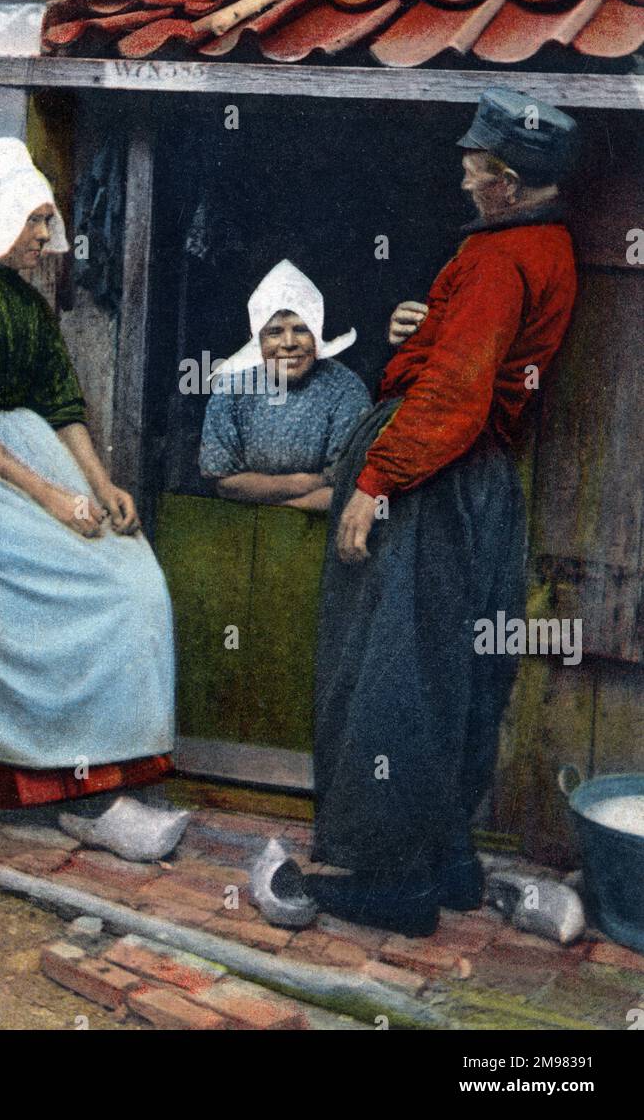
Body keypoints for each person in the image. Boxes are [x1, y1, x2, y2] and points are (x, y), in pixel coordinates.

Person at [251, 88, 578, 934]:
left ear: (506, 182)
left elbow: (460, 394)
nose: (466, 183)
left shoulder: (501, 258)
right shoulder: (538, 246)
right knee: (453, 669)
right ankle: (446, 858)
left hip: (432, 482)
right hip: (474, 483)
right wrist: (433, 322)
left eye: (475, 172)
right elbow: (475, 354)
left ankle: (392, 881)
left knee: (398, 669)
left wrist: (375, 481)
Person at [0, 137, 187, 861]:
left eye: (48, 224)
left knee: (135, 582)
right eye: (36, 223)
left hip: (30, 460)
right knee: (64, 586)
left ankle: (103, 777)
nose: (48, 240)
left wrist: (99, 483)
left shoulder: (27, 306)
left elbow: (61, 405)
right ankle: (74, 795)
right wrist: (52, 497)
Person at [200, 260, 371, 512]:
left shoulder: (346, 390)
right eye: (275, 332)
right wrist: (307, 482)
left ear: (316, 334)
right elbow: (224, 482)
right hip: (240, 530)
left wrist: (279, 510)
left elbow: (344, 489)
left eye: (301, 329)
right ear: (257, 338)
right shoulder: (233, 385)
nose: (288, 343)